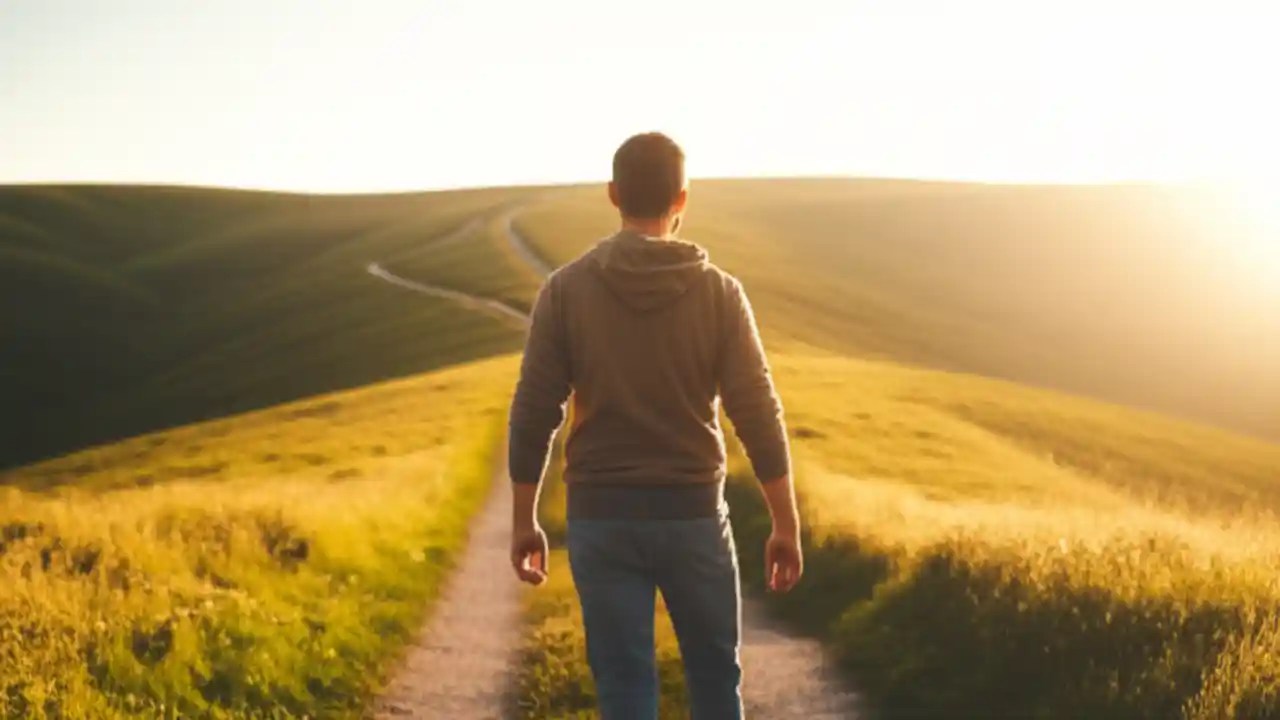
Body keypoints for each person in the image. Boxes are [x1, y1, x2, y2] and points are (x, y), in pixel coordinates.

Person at [508, 132, 803, 719]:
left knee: (624, 686)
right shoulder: (721, 295)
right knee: (716, 679)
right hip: (693, 513)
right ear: (682, 200)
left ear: (614, 194)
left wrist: (525, 521)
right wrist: (784, 523)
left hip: (601, 517)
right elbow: (757, 412)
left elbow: (535, 410)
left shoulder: (565, 292)